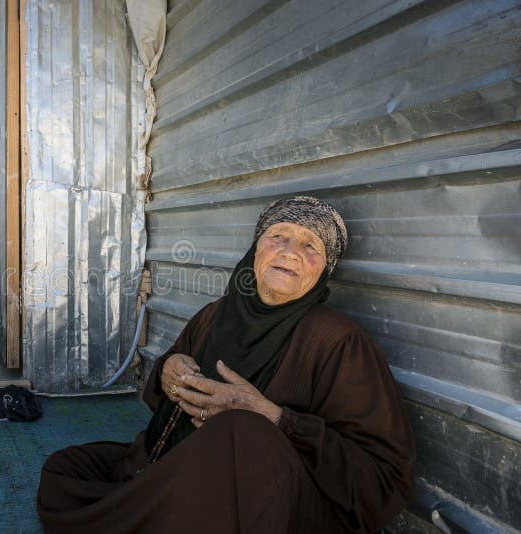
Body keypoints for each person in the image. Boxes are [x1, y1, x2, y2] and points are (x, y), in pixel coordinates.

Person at [37, 196, 416, 533]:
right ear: (256, 249)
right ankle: (154, 505)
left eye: (310, 245)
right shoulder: (215, 315)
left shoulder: (338, 342)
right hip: (170, 466)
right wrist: (169, 371)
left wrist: (272, 417)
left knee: (241, 432)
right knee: (64, 469)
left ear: (324, 269)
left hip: (270, 506)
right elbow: (160, 400)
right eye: (278, 236)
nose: (290, 251)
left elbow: (384, 481)